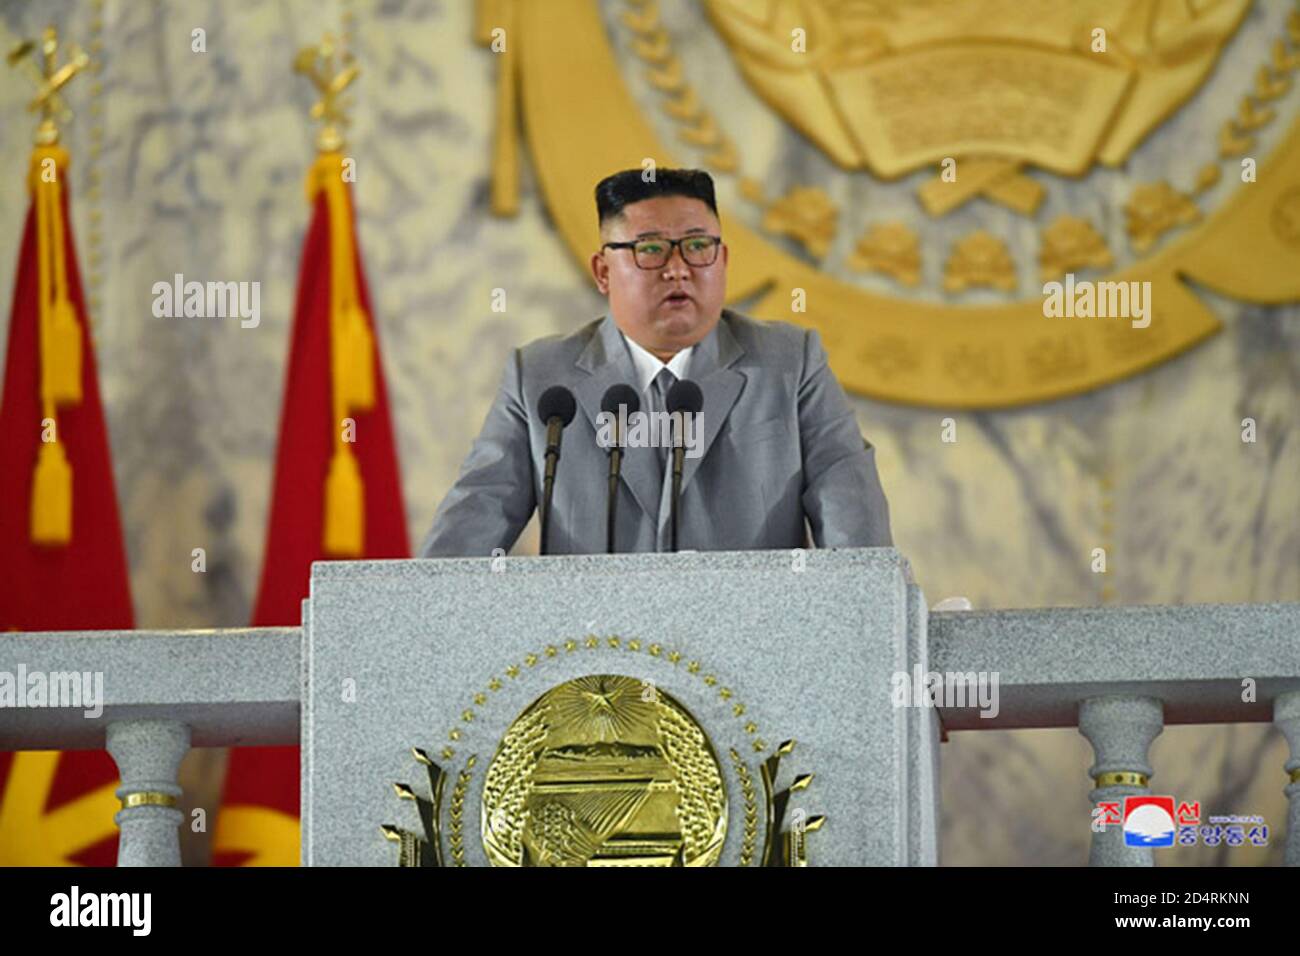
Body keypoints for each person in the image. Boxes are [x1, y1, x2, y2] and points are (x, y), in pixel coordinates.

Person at [419, 167, 891, 556]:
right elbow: (466, 536)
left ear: (723, 259)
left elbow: (854, 532)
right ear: (604, 272)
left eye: (697, 245)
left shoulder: (791, 365)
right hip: (595, 658)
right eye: (649, 249)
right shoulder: (541, 378)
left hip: (754, 651)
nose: (678, 267)